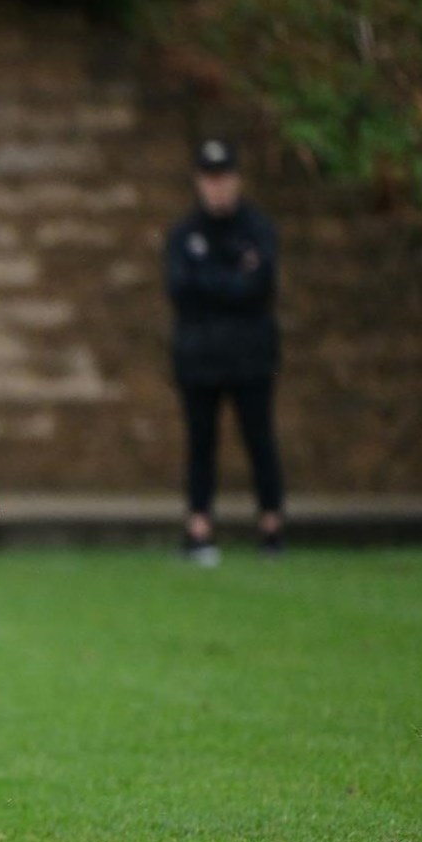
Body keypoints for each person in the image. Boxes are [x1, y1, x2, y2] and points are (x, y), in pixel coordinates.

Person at [163, 138, 285, 565]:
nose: (218, 187)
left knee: (259, 439)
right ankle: (199, 527)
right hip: (199, 358)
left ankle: (271, 525)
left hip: (251, 355)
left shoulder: (257, 228)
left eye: (224, 178)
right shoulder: (185, 234)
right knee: (201, 444)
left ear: (236, 179)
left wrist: (211, 282)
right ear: (200, 182)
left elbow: (259, 286)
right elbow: (181, 289)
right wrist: (232, 281)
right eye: (210, 179)